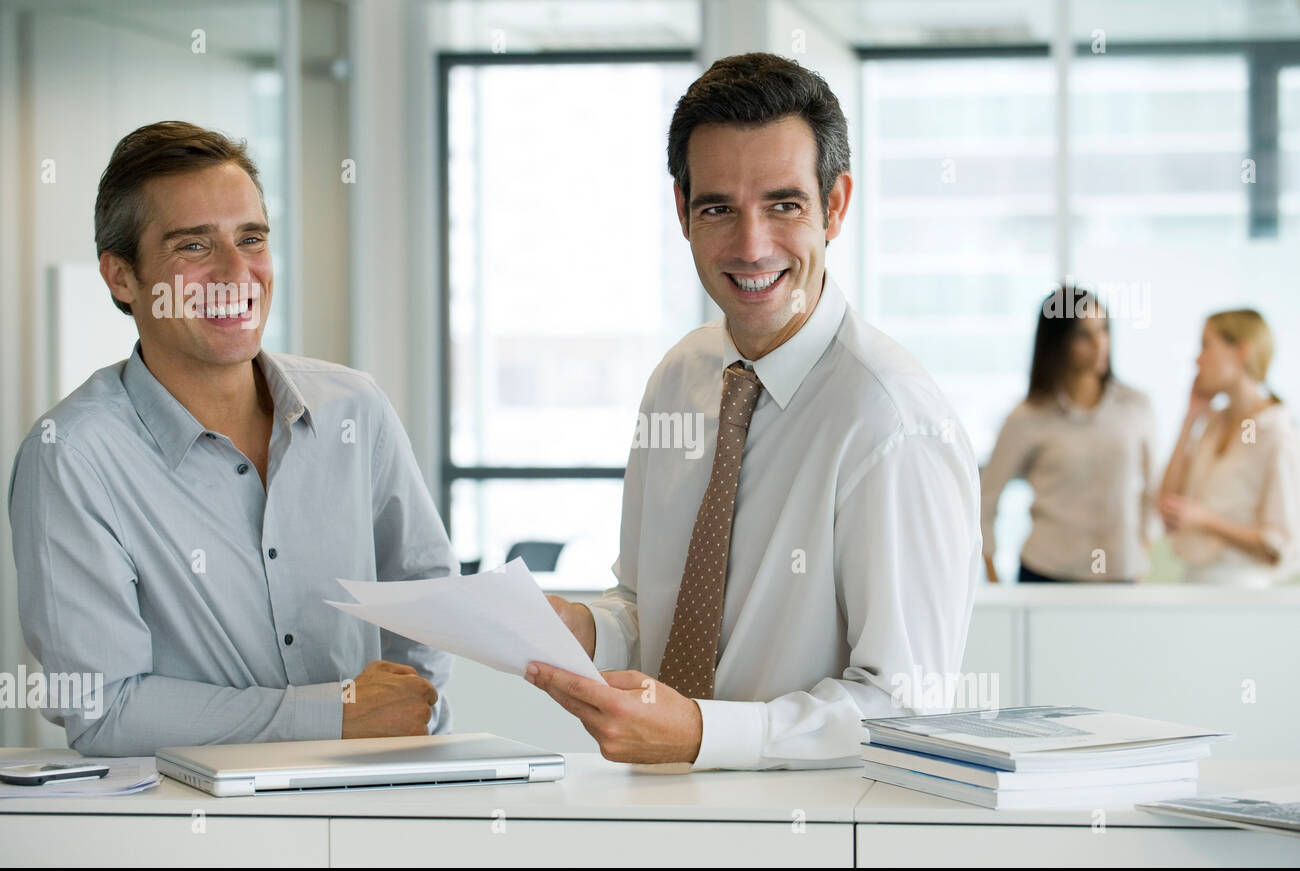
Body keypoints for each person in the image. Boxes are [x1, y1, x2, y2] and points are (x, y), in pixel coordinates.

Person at [528, 53, 982, 770]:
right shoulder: (679, 379)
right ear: (682, 212)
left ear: (835, 206)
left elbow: (909, 706)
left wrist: (707, 735)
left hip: (819, 834)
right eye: (718, 208)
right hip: (660, 813)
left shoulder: (892, 419)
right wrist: (578, 627)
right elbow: (656, 612)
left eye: (784, 204)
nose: (750, 245)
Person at [8, 121, 451, 756]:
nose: (235, 271)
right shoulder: (74, 455)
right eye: (192, 246)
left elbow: (425, 596)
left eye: (252, 238)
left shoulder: (355, 408)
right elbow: (102, 709)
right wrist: (334, 715)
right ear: (121, 278)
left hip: (371, 804)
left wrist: (408, 720)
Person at [980, 285, 1158, 583]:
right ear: (1058, 343)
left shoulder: (1136, 407)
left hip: (1121, 576)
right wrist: (994, 578)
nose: (1100, 344)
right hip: (1047, 574)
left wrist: (1142, 549)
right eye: (1084, 335)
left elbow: (1152, 491)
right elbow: (986, 500)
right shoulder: (1027, 417)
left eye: (1103, 330)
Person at [1159, 309, 1300, 585]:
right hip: (1193, 582)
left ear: (1241, 352)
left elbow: (1281, 543)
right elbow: (1167, 503)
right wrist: (1190, 419)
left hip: (1242, 591)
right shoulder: (1211, 425)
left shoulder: (1277, 433)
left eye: (1206, 346)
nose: (1197, 359)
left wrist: (1207, 522)